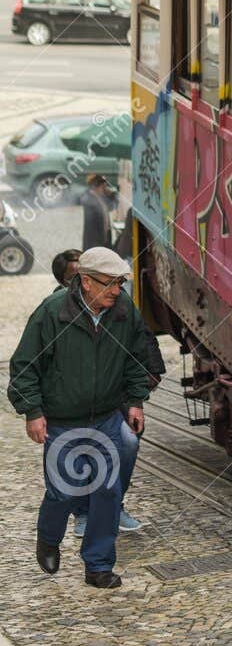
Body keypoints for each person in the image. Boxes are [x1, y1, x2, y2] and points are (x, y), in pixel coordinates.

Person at [8, 246, 154, 591]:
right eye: (110, 283)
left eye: (120, 283)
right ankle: (48, 540)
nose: (117, 291)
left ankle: (99, 566)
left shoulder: (122, 311)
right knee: (63, 492)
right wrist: (34, 412)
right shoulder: (52, 312)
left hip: (105, 416)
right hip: (62, 419)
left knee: (107, 490)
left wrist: (135, 401)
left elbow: (137, 357)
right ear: (85, 282)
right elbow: (24, 367)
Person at [48, 246, 164, 536]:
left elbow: (142, 339)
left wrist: (146, 379)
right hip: (76, 400)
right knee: (83, 456)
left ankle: (113, 506)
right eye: (75, 276)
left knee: (127, 444)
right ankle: (84, 513)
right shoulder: (56, 308)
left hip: (117, 394)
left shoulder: (119, 304)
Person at [79, 174, 114, 251]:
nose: (105, 188)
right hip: (95, 242)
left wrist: (110, 195)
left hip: (104, 237)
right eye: (103, 186)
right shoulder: (89, 199)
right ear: (96, 187)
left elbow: (111, 206)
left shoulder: (100, 197)